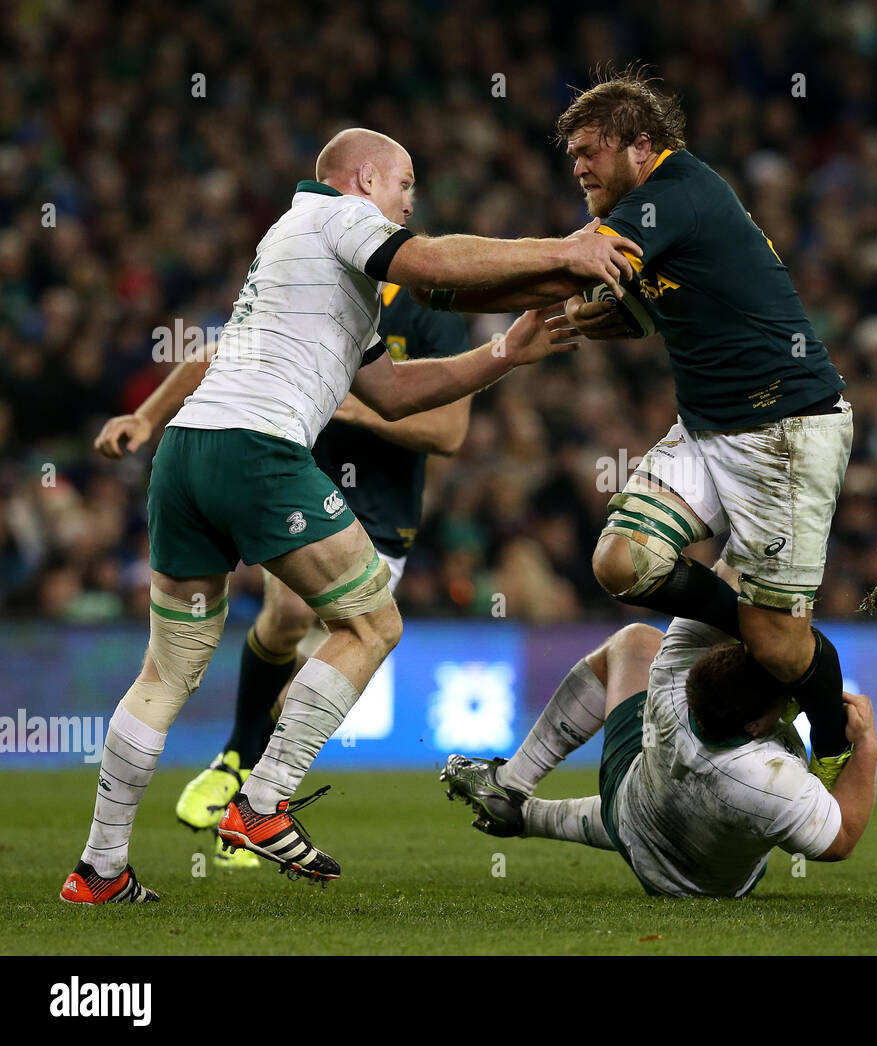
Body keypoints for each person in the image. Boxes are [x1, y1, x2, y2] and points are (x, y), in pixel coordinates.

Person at [59, 127, 642, 903]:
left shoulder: (304, 249)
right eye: (405, 184)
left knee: (165, 674)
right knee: (374, 625)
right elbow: (432, 267)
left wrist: (505, 353)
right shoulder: (340, 216)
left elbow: (396, 394)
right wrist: (566, 251)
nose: (410, 203)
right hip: (256, 452)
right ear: (366, 177)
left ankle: (100, 868)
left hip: (186, 455)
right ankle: (261, 804)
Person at [548, 67, 857, 799]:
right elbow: (687, 300)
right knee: (621, 562)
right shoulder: (667, 215)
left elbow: (564, 266)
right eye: (572, 157)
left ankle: (834, 731)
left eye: (591, 149)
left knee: (782, 645)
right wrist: (622, 318)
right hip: (708, 427)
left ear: (642, 145)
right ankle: (759, 620)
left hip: (785, 431)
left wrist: (438, 277)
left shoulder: (673, 196)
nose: (580, 167)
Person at [94, 284, 472, 870]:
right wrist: (146, 416)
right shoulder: (315, 273)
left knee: (317, 668)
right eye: (403, 184)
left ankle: (242, 784)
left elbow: (448, 433)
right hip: (296, 481)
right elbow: (219, 350)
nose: (405, 198)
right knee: (290, 615)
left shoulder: (428, 310)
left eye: (409, 185)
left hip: (382, 514)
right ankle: (244, 777)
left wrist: (357, 409)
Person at [441, 561, 877, 898]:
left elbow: (725, 577)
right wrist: (867, 749)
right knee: (718, 820)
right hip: (707, 882)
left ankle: (514, 785)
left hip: (636, 808)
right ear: (754, 727)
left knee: (634, 641)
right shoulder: (768, 782)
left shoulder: (674, 675)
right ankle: (527, 815)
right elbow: (839, 842)